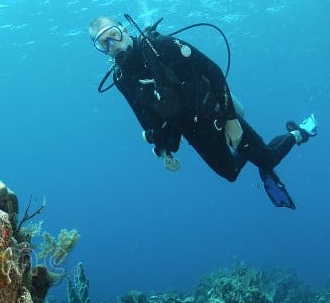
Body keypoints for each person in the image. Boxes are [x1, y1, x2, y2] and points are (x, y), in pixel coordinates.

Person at [89, 15, 317, 208]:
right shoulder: (121, 79)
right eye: (103, 43)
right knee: (230, 174)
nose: (112, 44)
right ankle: (255, 154)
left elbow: (214, 71)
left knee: (268, 158)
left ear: (124, 29)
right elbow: (143, 115)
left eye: (113, 35)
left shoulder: (162, 46)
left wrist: (231, 120)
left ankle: (298, 132)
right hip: (193, 131)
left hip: (218, 113)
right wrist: (163, 149)